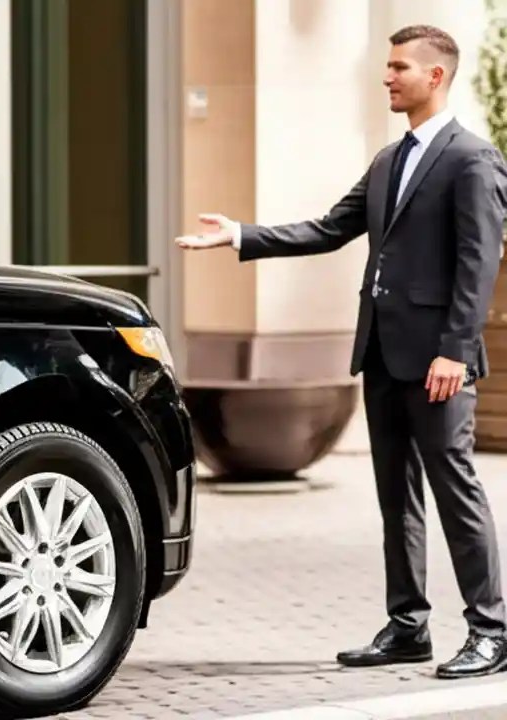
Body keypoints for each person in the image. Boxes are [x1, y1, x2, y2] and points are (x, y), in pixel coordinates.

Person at [177, 24, 507, 679]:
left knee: (456, 493)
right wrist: (242, 235)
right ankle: (408, 626)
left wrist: (454, 350)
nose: (387, 76)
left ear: (435, 75)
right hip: (381, 354)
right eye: (388, 65)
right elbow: (329, 228)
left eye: (399, 67)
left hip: (439, 364)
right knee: (396, 499)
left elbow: (479, 263)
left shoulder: (473, 159)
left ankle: (491, 631)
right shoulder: (388, 161)